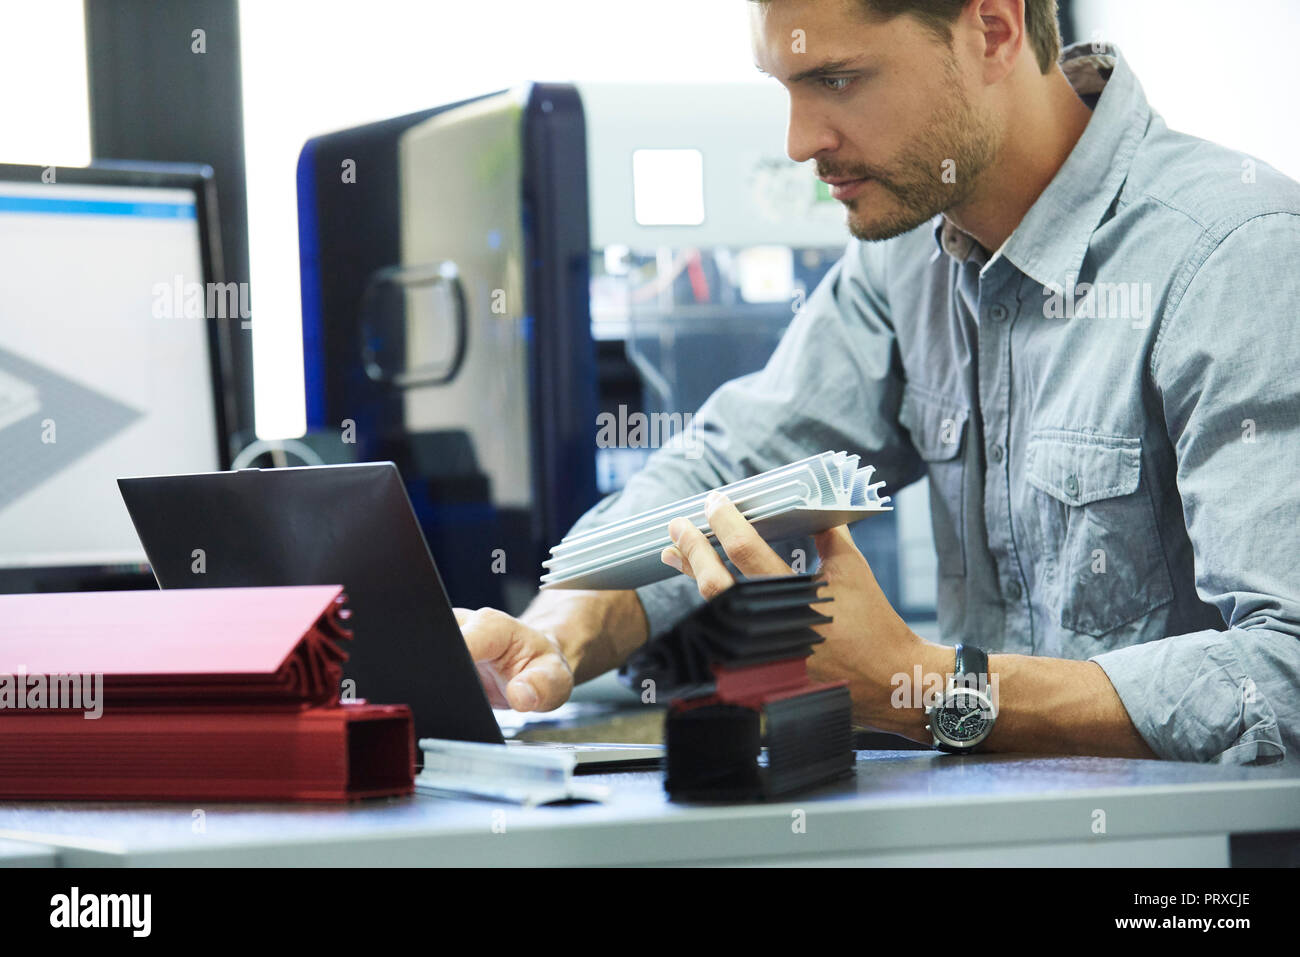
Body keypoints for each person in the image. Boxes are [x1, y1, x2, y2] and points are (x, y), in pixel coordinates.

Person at [456, 0, 1300, 763]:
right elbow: (728, 472)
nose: (798, 142)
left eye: (837, 79)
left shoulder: (1237, 257)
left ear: (994, 31)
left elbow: (1286, 666)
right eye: (784, 84)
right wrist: (558, 633)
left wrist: (930, 687)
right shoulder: (910, 253)